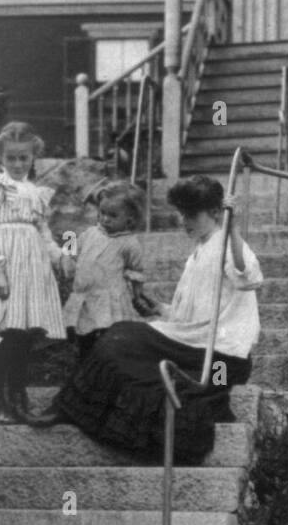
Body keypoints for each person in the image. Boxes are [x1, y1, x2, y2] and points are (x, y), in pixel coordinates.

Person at [35, 175, 263, 465]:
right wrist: (159, 308)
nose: (183, 220)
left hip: (220, 357)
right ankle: (72, 407)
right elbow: (195, 314)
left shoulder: (226, 245)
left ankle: (70, 408)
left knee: (118, 341)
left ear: (216, 213)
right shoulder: (202, 248)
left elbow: (249, 277)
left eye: (191, 214)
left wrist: (233, 230)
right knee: (120, 337)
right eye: (181, 213)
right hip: (195, 341)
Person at [0, 121, 66, 423]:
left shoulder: (36, 192)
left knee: (22, 336)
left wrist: (60, 257)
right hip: (4, 265)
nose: (18, 164)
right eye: (12, 158)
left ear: (33, 157)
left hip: (31, 270)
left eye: (24, 157)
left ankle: (19, 399)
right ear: (2, 158)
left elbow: (43, 232)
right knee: (1, 336)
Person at [61, 180, 151, 366]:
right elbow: (71, 244)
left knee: (105, 344)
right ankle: (84, 379)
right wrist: (66, 255)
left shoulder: (129, 243)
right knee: (84, 341)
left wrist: (137, 295)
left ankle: (104, 381)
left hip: (109, 303)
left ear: (130, 219)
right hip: (84, 299)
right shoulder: (90, 233)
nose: (105, 219)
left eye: (113, 215)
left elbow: (136, 272)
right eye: (102, 213)